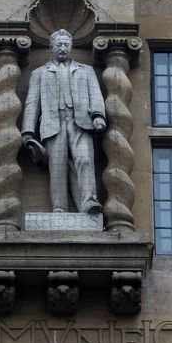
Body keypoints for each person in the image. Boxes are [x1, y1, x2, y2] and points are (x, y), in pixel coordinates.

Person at [21, 29, 106, 213]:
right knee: (57, 167)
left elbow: (96, 95)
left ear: (71, 47)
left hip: (81, 122)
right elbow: (32, 103)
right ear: (51, 47)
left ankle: (90, 201)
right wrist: (27, 132)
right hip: (53, 123)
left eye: (66, 45)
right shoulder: (40, 73)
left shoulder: (86, 70)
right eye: (59, 44)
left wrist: (98, 115)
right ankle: (60, 208)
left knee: (85, 159)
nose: (63, 48)